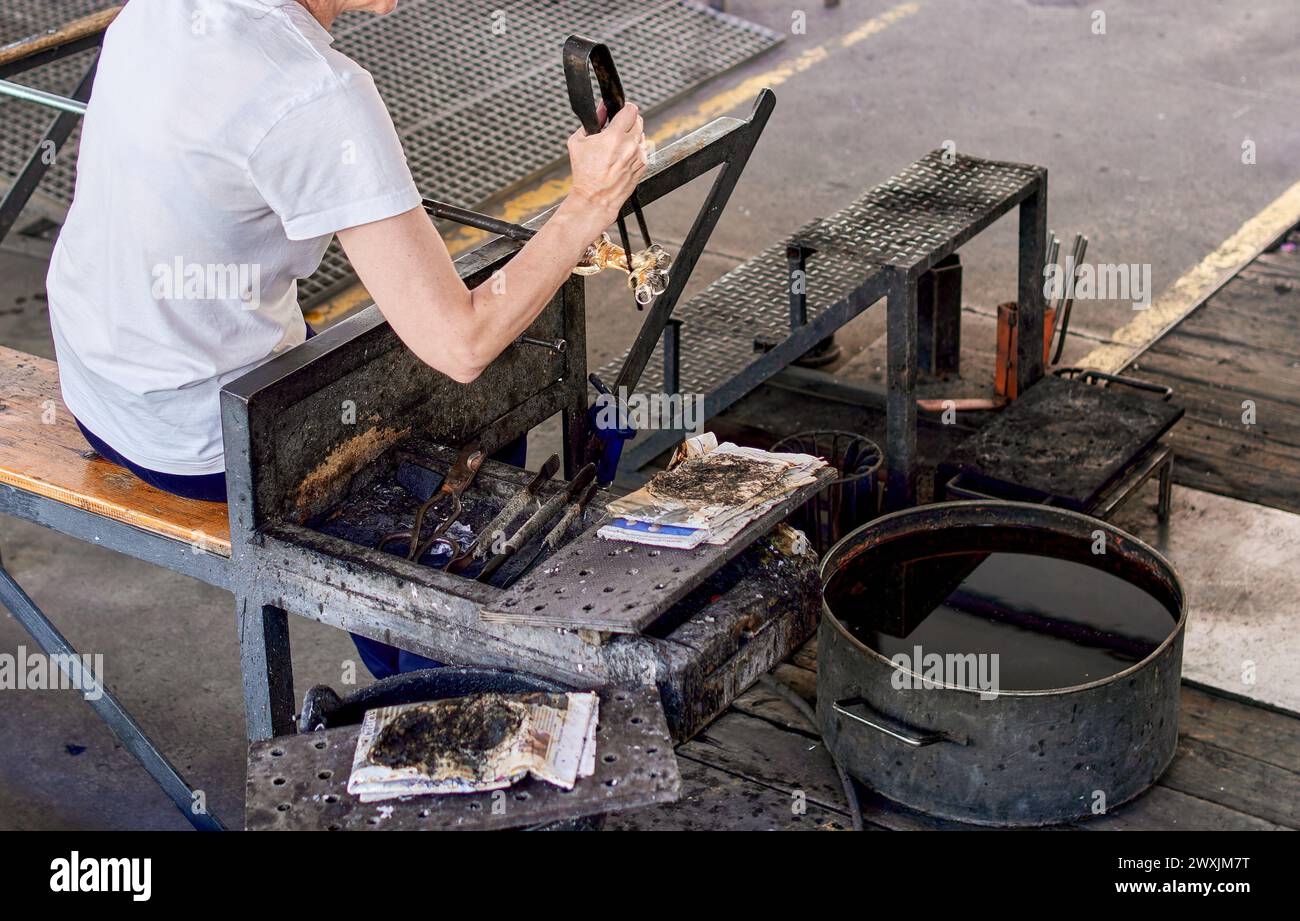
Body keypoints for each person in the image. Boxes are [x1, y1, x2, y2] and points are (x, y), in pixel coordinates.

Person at [45, 0, 646, 677]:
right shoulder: (316, 91)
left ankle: (398, 651)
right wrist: (588, 204)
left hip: (100, 383)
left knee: (394, 379)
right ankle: (431, 687)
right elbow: (462, 340)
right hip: (200, 438)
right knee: (476, 406)